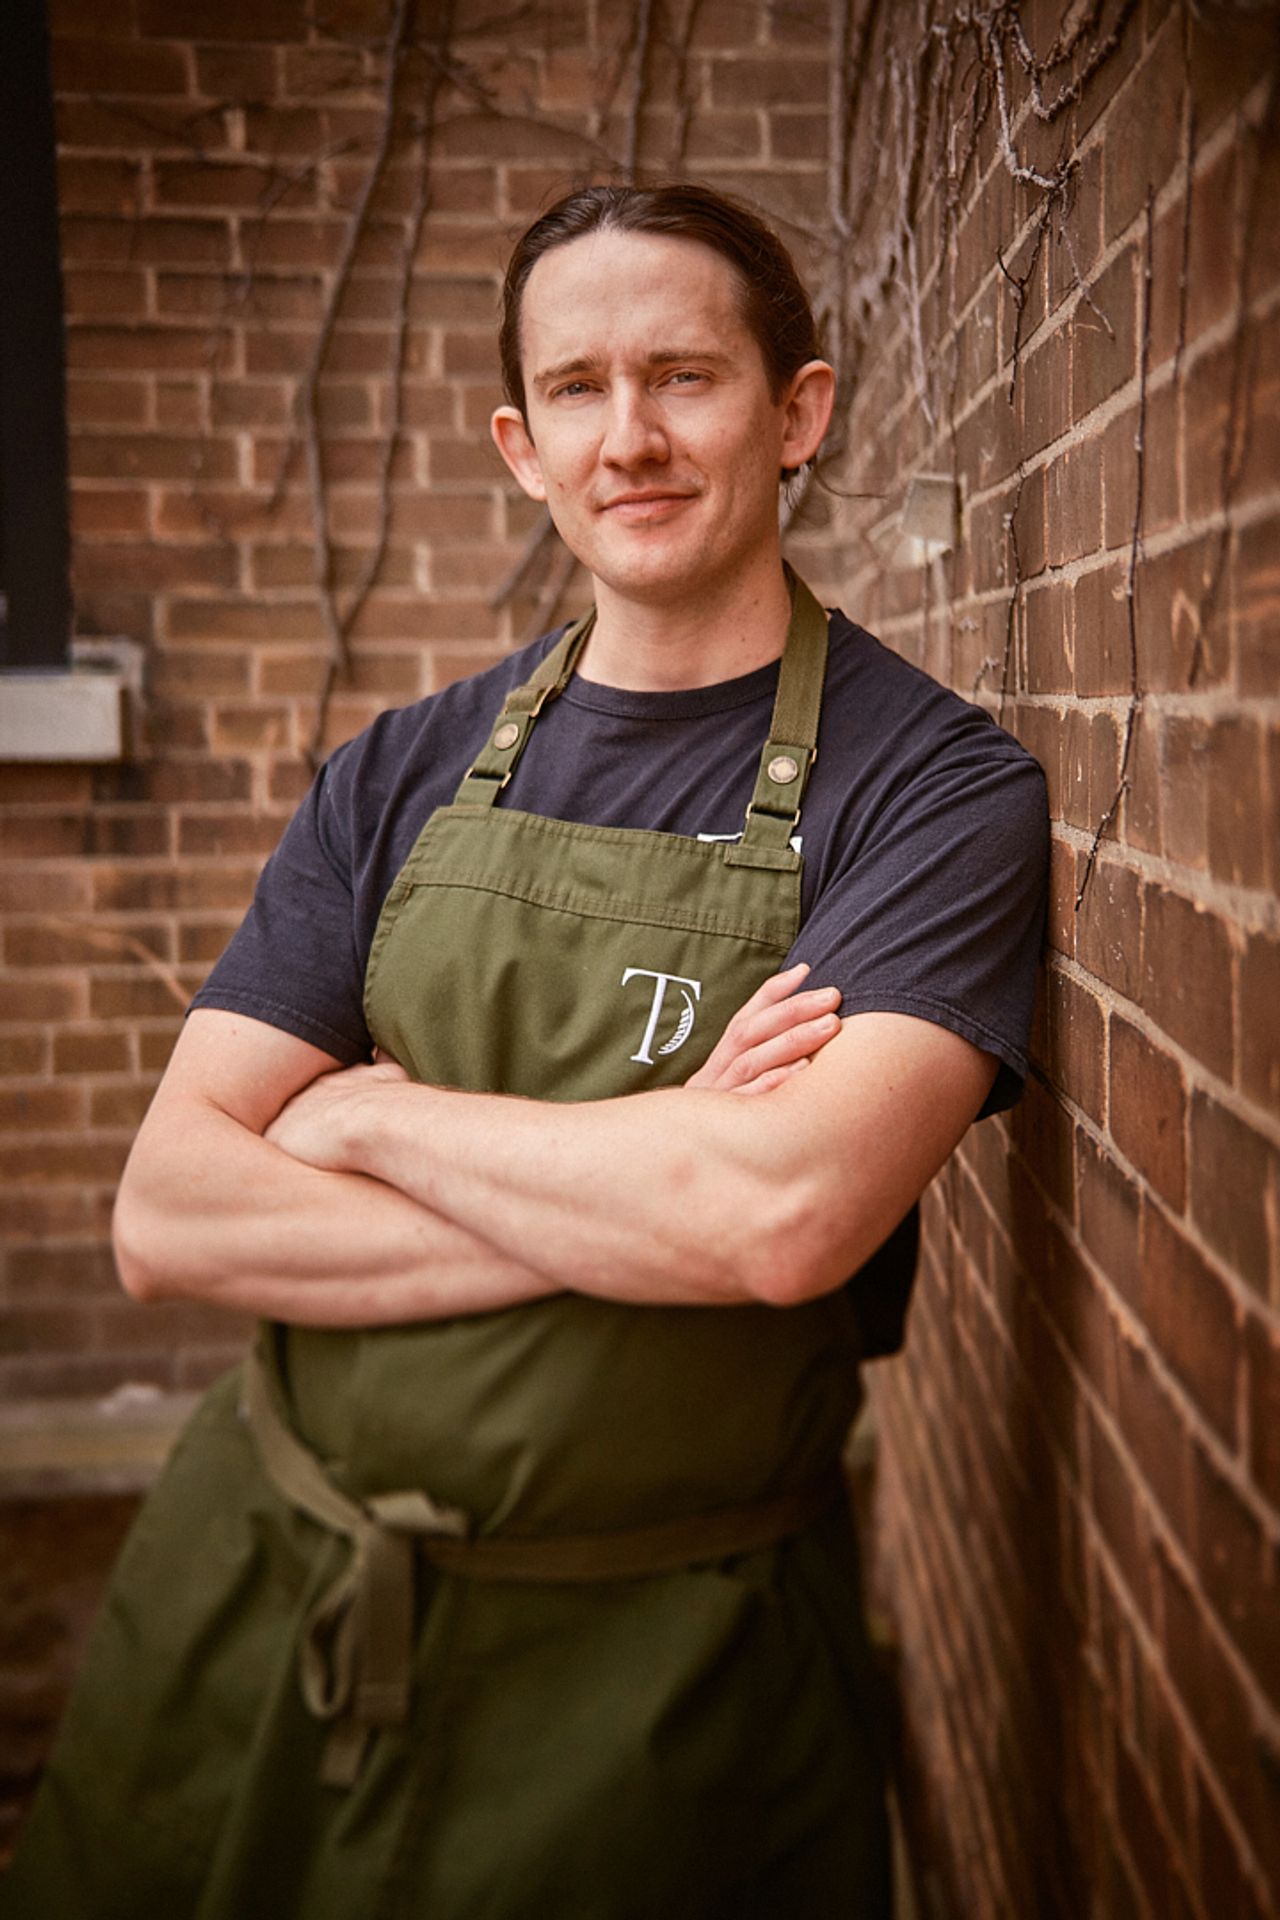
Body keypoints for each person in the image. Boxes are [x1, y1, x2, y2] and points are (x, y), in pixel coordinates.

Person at [2, 183, 1047, 1919]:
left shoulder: (933, 793)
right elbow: (173, 1216)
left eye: (684, 376)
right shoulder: (396, 775)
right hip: (275, 1618)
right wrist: (648, 1173)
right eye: (577, 389)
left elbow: (776, 1221)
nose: (628, 436)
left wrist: (370, 1113)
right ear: (521, 443)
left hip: (667, 1692)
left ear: (799, 413)